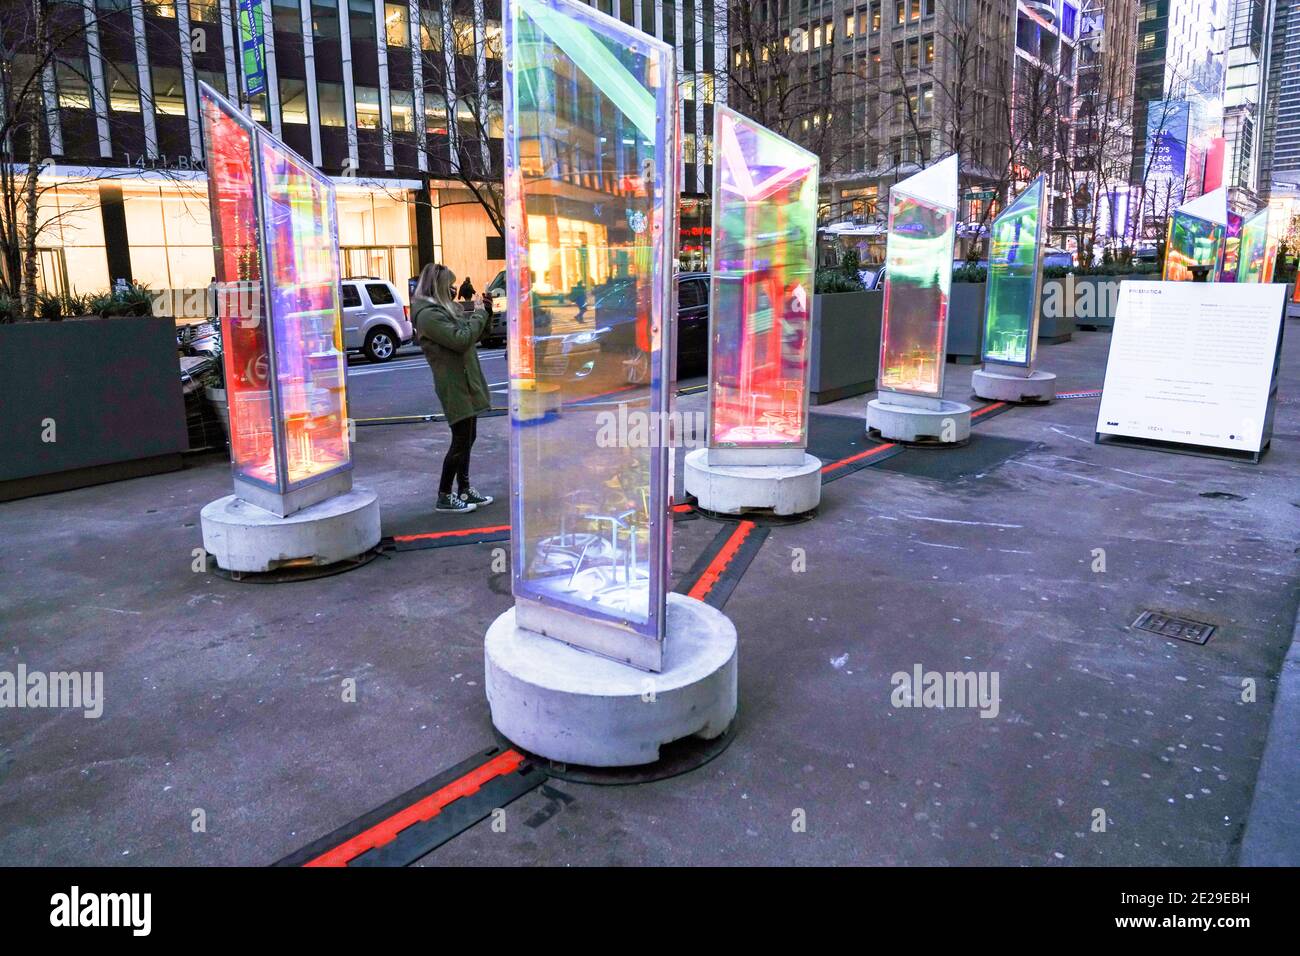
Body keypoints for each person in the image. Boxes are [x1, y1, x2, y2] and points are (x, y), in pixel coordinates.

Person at [412, 263, 494, 514]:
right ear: (439, 287)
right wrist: (479, 313)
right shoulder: (428, 315)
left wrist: (486, 312)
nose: (455, 290)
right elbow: (460, 340)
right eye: (450, 285)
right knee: (460, 439)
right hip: (453, 383)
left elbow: (474, 334)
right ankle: (445, 495)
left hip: (466, 379)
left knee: (469, 436)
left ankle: (465, 489)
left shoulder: (446, 310)